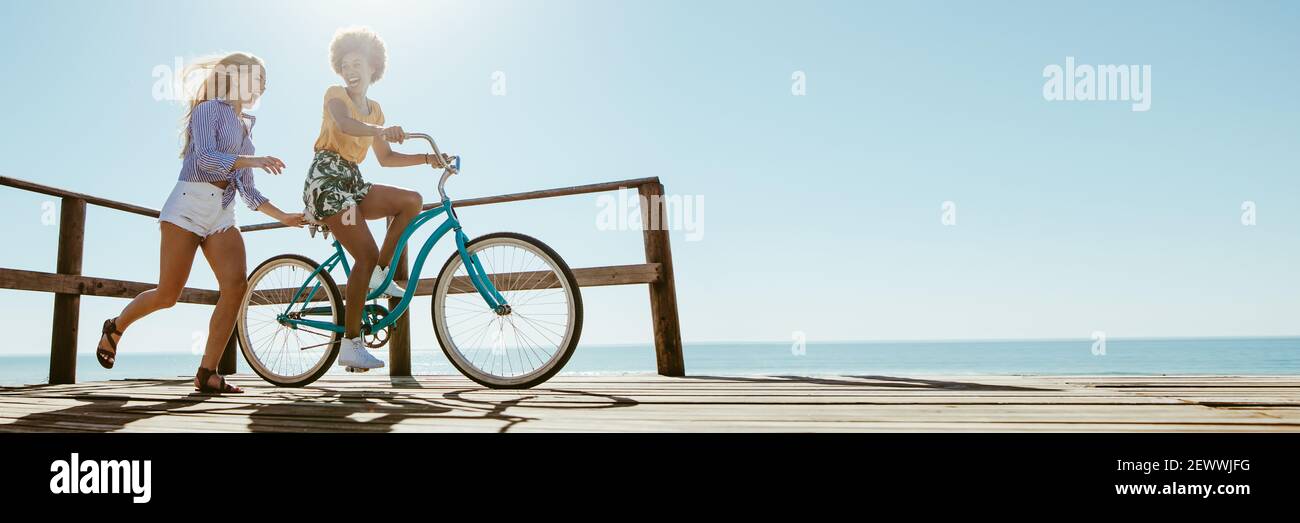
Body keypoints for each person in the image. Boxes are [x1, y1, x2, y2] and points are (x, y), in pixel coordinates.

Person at [95, 52, 306, 393]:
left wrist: (284, 217)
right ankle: (115, 327)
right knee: (168, 295)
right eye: (258, 78)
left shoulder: (246, 128)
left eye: (265, 82)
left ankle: (207, 372)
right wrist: (254, 159)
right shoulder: (208, 110)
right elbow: (207, 160)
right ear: (236, 77)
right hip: (187, 206)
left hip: (222, 213)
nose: (262, 86)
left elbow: (248, 190)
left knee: (236, 288)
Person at [302, 27, 450, 369]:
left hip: (352, 180)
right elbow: (345, 125)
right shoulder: (335, 93)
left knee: (411, 201)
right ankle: (351, 344)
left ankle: (380, 275)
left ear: (373, 68)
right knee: (364, 253)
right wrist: (381, 131)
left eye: (357, 63)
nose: (350, 70)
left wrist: (428, 158)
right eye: (345, 64)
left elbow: (386, 158)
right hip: (326, 181)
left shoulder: (376, 110)